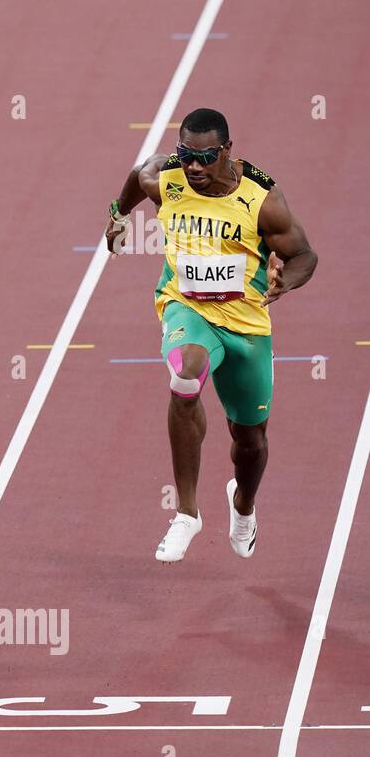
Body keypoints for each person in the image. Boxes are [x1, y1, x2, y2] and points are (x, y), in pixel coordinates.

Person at [105, 109, 317, 562]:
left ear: (226, 151)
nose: (194, 167)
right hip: (188, 308)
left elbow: (303, 254)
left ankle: (243, 505)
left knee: (251, 441)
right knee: (186, 375)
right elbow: (136, 174)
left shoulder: (263, 200)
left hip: (246, 324)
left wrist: (288, 281)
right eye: (186, 155)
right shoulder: (168, 180)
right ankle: (186, 513)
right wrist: (118, 216)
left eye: (204, 157)